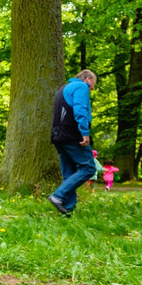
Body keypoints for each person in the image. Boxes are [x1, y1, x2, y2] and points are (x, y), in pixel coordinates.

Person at [48, 69, 97, 215]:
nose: (91, 89)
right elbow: (80, 110)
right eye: (92, 86)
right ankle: (58, 195)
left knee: (68, 173)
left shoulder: (62, 89)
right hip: (72, 134)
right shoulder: (81, 87)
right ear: (87, 79)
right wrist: (85, 133)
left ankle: (67, 209)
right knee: (88, 168)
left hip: (58, 135)